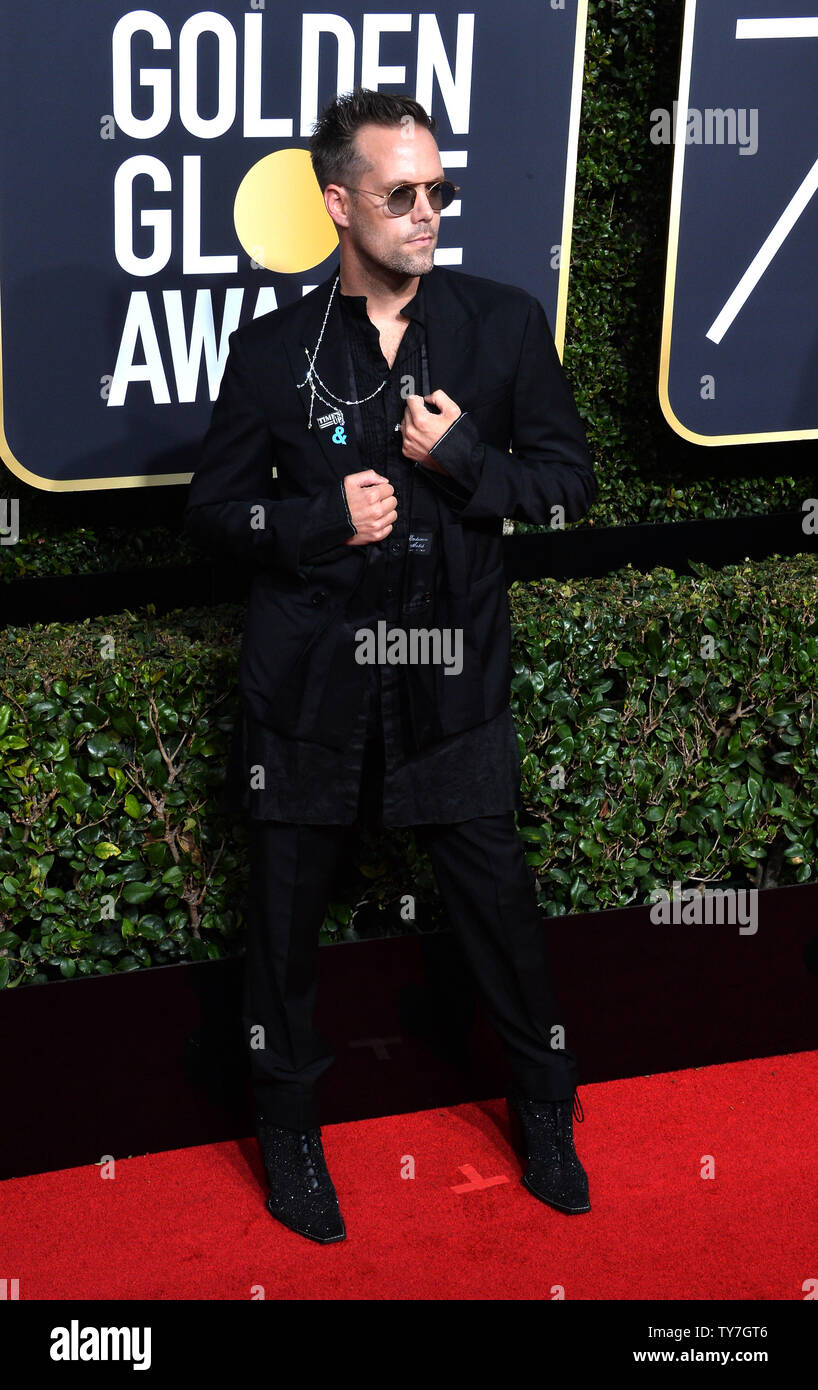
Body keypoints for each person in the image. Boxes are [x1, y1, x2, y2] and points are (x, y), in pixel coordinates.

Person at [182, 87, 598, 1244]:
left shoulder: (504, 326)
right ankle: (287, 1134)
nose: (426, 213)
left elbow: (569, 485)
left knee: (502, 917)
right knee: (280, 930)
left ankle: (546, 1110)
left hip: (449, 688)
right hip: (308, 694)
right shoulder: (273, 352)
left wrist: (467, 461)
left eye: (439, 191)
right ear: (335, 204)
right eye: (399, 194)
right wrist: (314, 520)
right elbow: (211, 515)